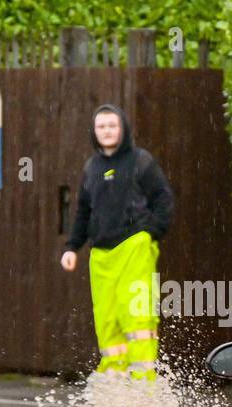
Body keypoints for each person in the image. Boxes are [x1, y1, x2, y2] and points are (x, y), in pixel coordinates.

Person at [60, 104, 174, 380]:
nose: (107, 131)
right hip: (101, 256)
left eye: (112, 125)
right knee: (107, 321)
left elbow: (164, 200)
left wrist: (150, 233)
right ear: (94, 131)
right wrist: (72, 247)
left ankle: (144, 383)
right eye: (101, 126)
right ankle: (114, 383)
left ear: (122, 128)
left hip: (134, 248)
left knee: (137, 316)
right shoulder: (91, 167)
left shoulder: (140, 161)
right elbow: (83, 211)